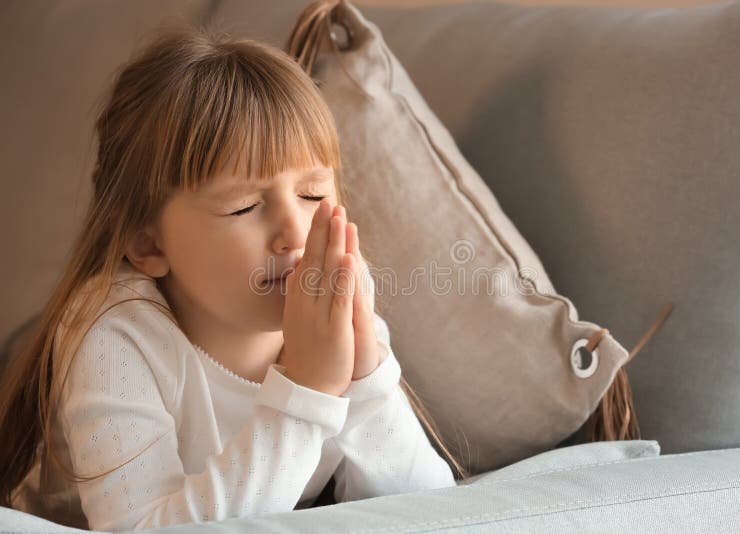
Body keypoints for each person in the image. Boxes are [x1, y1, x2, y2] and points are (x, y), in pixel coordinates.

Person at [0, 24, 466, 531]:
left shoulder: (338, 313)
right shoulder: (114, 338)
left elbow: (428, 508)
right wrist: (306, 391)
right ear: (149, 243)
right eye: (244, 206)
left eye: (312, 194)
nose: (295, 232)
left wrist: (366, 375)